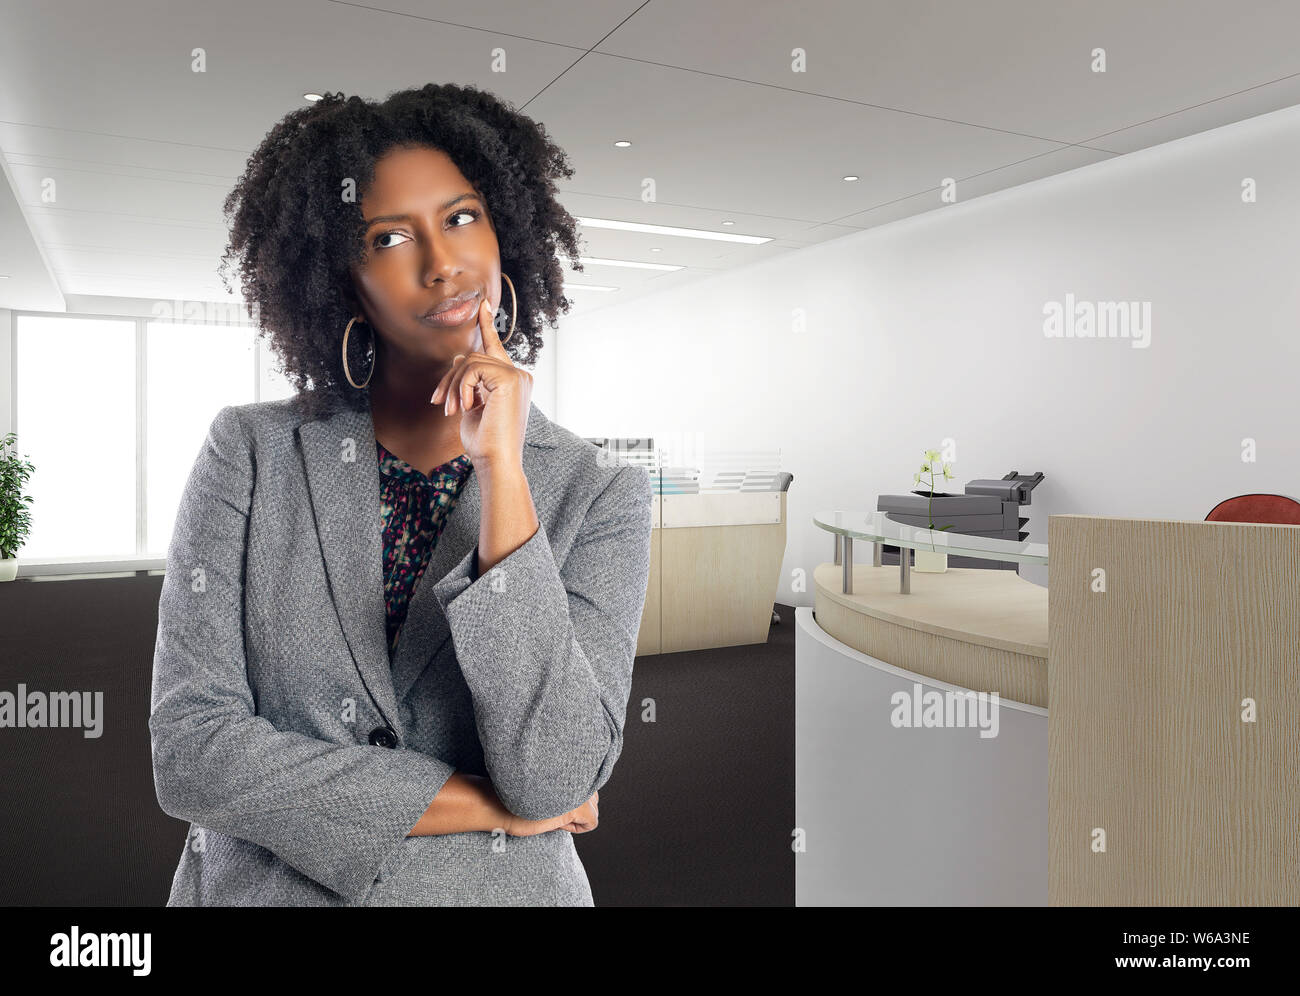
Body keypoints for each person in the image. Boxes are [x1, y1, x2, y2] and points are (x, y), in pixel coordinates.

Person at [148, 83, 654, 906]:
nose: (442, 262)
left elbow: (557, 770)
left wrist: (504, 478)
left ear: (504, 232)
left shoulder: (598, 495)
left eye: (461, 218)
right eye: (389, 237)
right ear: (341, 278)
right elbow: (192, 752)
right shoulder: (248, 452)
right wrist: (470, 802)